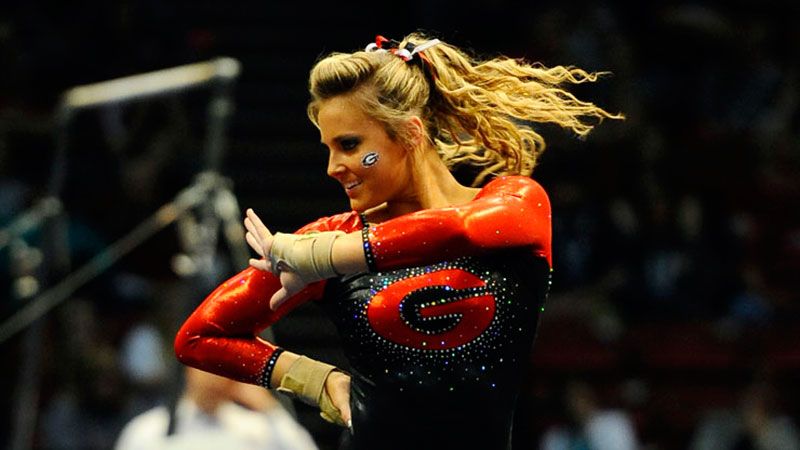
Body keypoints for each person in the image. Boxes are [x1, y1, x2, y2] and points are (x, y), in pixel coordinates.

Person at [174, 32, 622, 450]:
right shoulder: (335, 236)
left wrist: (322, 256)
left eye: (349, 144)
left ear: (409, 132)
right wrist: (318, 380)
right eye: (328, 147)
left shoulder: (515, 204)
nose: (333, 166)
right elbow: (198, 337)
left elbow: (462, 229)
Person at [113, 366, 319, 450]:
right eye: (208, 367)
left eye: (223, 367)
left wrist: (271, 409)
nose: (215, 378)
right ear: (189, 369)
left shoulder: (256, 429)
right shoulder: (148, 431)